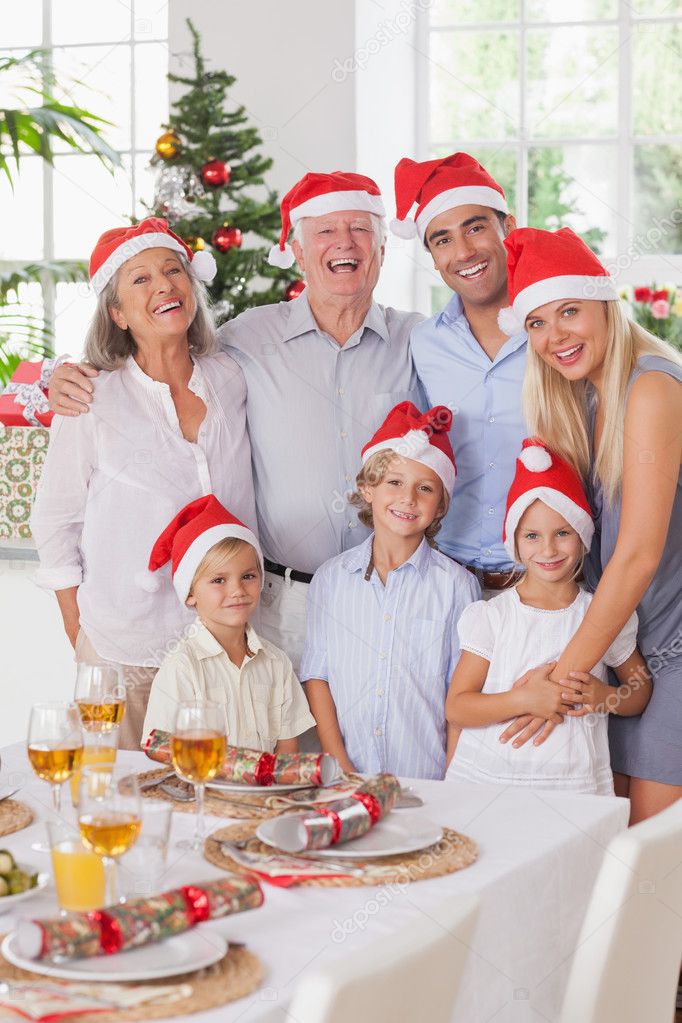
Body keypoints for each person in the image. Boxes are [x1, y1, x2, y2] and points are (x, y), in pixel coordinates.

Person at [46, 172, 424, 674]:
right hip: (271, 607)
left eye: (359, 228)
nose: (344, 243)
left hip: (387, 597)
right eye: (325, 232)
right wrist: (59, 376)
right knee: (271, 747)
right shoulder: (248, 339)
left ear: (382, 248)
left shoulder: (421, 342)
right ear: (298, 251)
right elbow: (58, 519)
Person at [31, 218, 256, 749]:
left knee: (211, 798)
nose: (163, 286)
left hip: (222, 643)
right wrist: (79, 633)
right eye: (140, 279)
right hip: (126, 649)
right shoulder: (91, 398)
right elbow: (55, 522)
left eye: (173, 270)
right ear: (117, 314)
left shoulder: (232, 377)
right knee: (121, 800)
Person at [497, 226, 682, 822]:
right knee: (609, 859)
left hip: (670, 659)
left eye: (570, 311)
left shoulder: (651, 388)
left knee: (648, 867)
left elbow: (637, 557)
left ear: (605, 304)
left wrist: (562, 673)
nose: (556, 337)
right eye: (537, 323)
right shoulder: (585, 404)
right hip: (621, 665)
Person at [446, 439, 651, 794]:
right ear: (515, 542)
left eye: (562, 533)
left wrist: (604, 697)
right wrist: (524, 699)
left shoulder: (601, 614)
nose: (548, 549)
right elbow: (458, 708)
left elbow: (639, 689)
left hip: (574, 784)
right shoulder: (493, 616)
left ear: (582, 536)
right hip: (490, 780)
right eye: (532, 536)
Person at [300, 401, 480, 779]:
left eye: (425, 488)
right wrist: (343, 769)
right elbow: (318, 677)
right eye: (394, 482)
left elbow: (461, 693)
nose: (407, 499)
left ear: (441, 505)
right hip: (350, 775)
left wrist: (453, 778)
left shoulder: (457, 587)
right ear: (367, 489)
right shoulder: (330, 580)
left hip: (427, 778)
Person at [392, 152, 527, 592]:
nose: (464, 252)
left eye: (475, 227)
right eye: (443, 239)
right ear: (432, 256)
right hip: (446, 583)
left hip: (549, 583)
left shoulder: (559, 336)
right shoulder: (424, 343)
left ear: (508, 228)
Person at [142, 495, 314, 751]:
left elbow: (286, 754)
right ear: (190, 593)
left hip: (265, 792)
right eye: (219, 580)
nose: (237, 590)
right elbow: (162, 753)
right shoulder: (182, 669)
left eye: (248, 576)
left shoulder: (277, 663)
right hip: (201, 790)